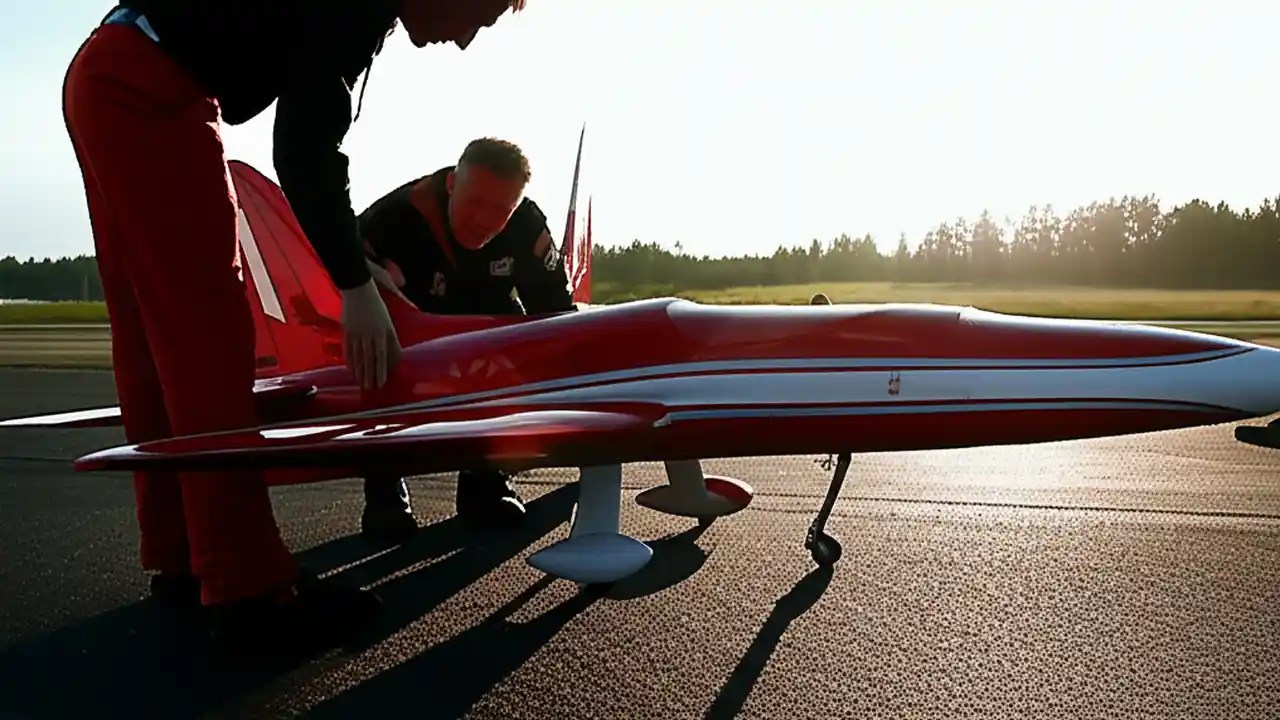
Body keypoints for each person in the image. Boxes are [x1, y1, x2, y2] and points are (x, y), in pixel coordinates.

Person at [60, 0, 527, 654]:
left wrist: (354, 261)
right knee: (209, 341)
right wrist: (356, 288)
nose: (466, 40)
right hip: (150, 97)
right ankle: (250, 591)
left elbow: (308, 139)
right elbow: (305, 150)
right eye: (477, 17)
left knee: (150, 336)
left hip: (107, 74)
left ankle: (186, 559)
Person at [354, 137, 577, 542]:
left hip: (485, 320)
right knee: (375, 339)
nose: (484, 220)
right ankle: (385, 489)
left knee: (523, 336)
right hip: (409, 325)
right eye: (475, 202)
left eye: (500, 210)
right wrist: (368, 281)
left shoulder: (526, 226)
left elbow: (558, 316)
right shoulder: (398, 217)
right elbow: (336, 270)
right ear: (453, 183)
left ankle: (485, 481)